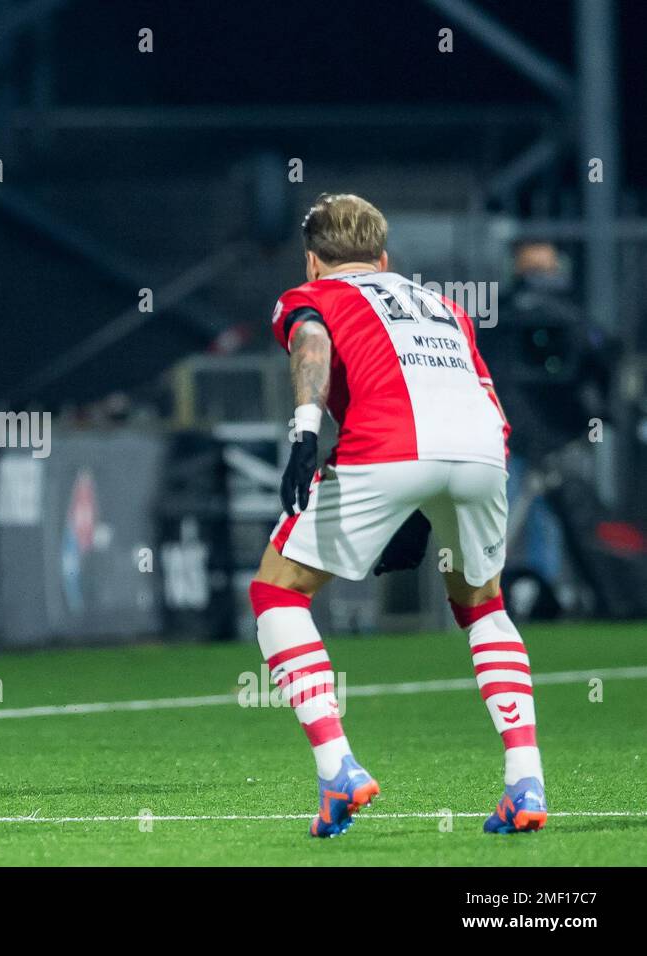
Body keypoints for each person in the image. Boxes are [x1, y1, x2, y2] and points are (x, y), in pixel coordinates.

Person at [253, 193, 545, 837]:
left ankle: (338, 768)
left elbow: (310, 343)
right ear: (384, 257)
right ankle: (525, 780)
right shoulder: (444, 306)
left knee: (277, 589)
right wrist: (422, 503)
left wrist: (304, 430)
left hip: (387, 444)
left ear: (312, 262)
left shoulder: (315, 296)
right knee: (482, 605)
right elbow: (480, 394)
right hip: (483, 449)